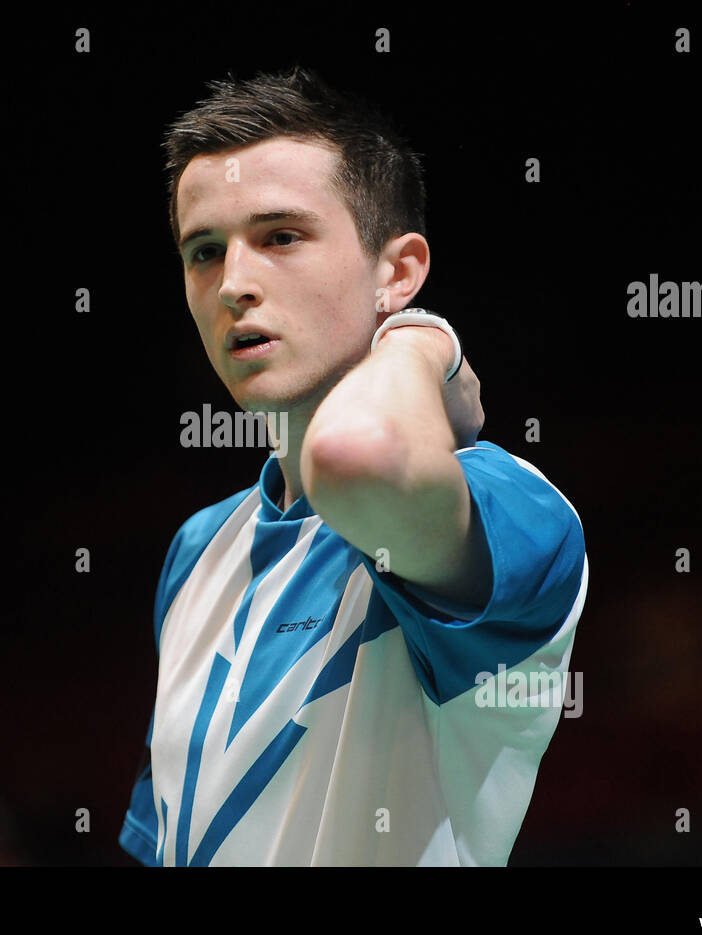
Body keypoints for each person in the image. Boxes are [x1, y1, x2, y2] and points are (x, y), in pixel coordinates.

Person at [119, 66, 588, 866]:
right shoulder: (198, 549)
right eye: (204, 252)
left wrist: (422, 338)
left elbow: (357, 456)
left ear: (397, 271)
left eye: (281, 237)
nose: (233, 284)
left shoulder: (514, 507)